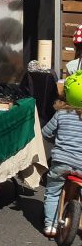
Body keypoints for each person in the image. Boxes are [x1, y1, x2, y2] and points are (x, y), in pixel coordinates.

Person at [42, 81, 82, 237]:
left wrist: (57, 141)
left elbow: (46, 133)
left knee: (52, 192)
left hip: (61, 162)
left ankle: (50, 226)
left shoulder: (61, 114)